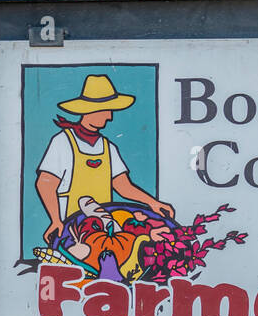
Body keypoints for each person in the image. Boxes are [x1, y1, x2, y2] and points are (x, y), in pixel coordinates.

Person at [34, 74, 174, 246]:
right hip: (71, 230)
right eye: (106, 110)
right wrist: (55, 220)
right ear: (89, 110)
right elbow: (45, 183)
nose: (110, 116)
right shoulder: (63, 141)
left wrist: (153, 203)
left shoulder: (108, 147)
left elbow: (122, 185)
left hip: (104, 228)